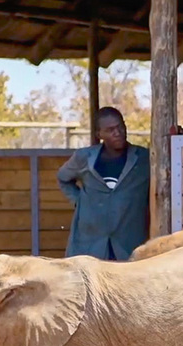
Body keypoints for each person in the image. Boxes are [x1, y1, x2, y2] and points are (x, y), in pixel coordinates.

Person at [56, 107, 151, 260]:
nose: (117, 132)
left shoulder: (143, 159)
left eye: (120, 126)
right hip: (90, 242)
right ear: (99, 134)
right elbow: (63, 178)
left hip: (128, 243)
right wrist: (79, 202)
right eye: (110, 130)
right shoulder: (84, 158)